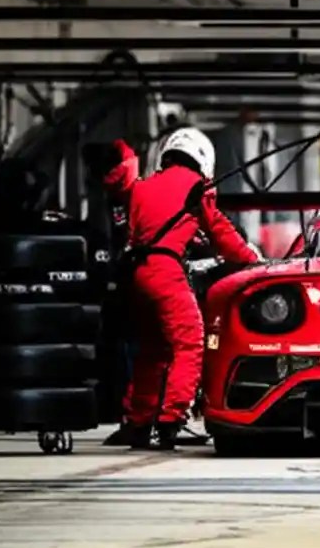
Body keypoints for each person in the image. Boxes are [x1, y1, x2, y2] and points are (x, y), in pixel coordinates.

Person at [102, 129, 261, 450]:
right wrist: (253, 261)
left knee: (153, 350)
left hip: (135, 274)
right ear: (203, 159)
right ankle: (170, 419)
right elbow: (221, 233)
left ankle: (138, 422)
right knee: (189, 341)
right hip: (164, 269)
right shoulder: (197, 188)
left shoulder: (141, 187)